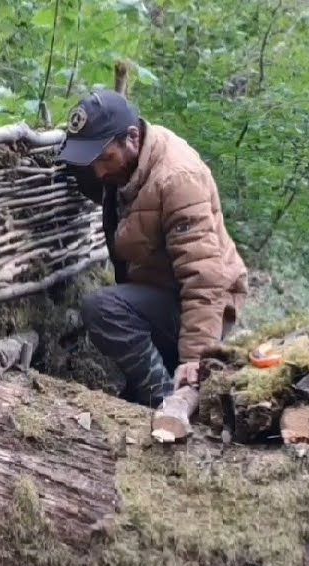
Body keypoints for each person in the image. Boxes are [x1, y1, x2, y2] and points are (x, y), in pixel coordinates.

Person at [59, 90, 248, 407]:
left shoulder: (176, 180)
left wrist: (194, 360)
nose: (100, 172)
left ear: (132, 138)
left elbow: (204, 276)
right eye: (91, 161)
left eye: (105, 159)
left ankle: (163, 400)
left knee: (103, 308)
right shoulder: (125, 165)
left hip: (203, 301)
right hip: (161, 290)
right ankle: (150, 387)